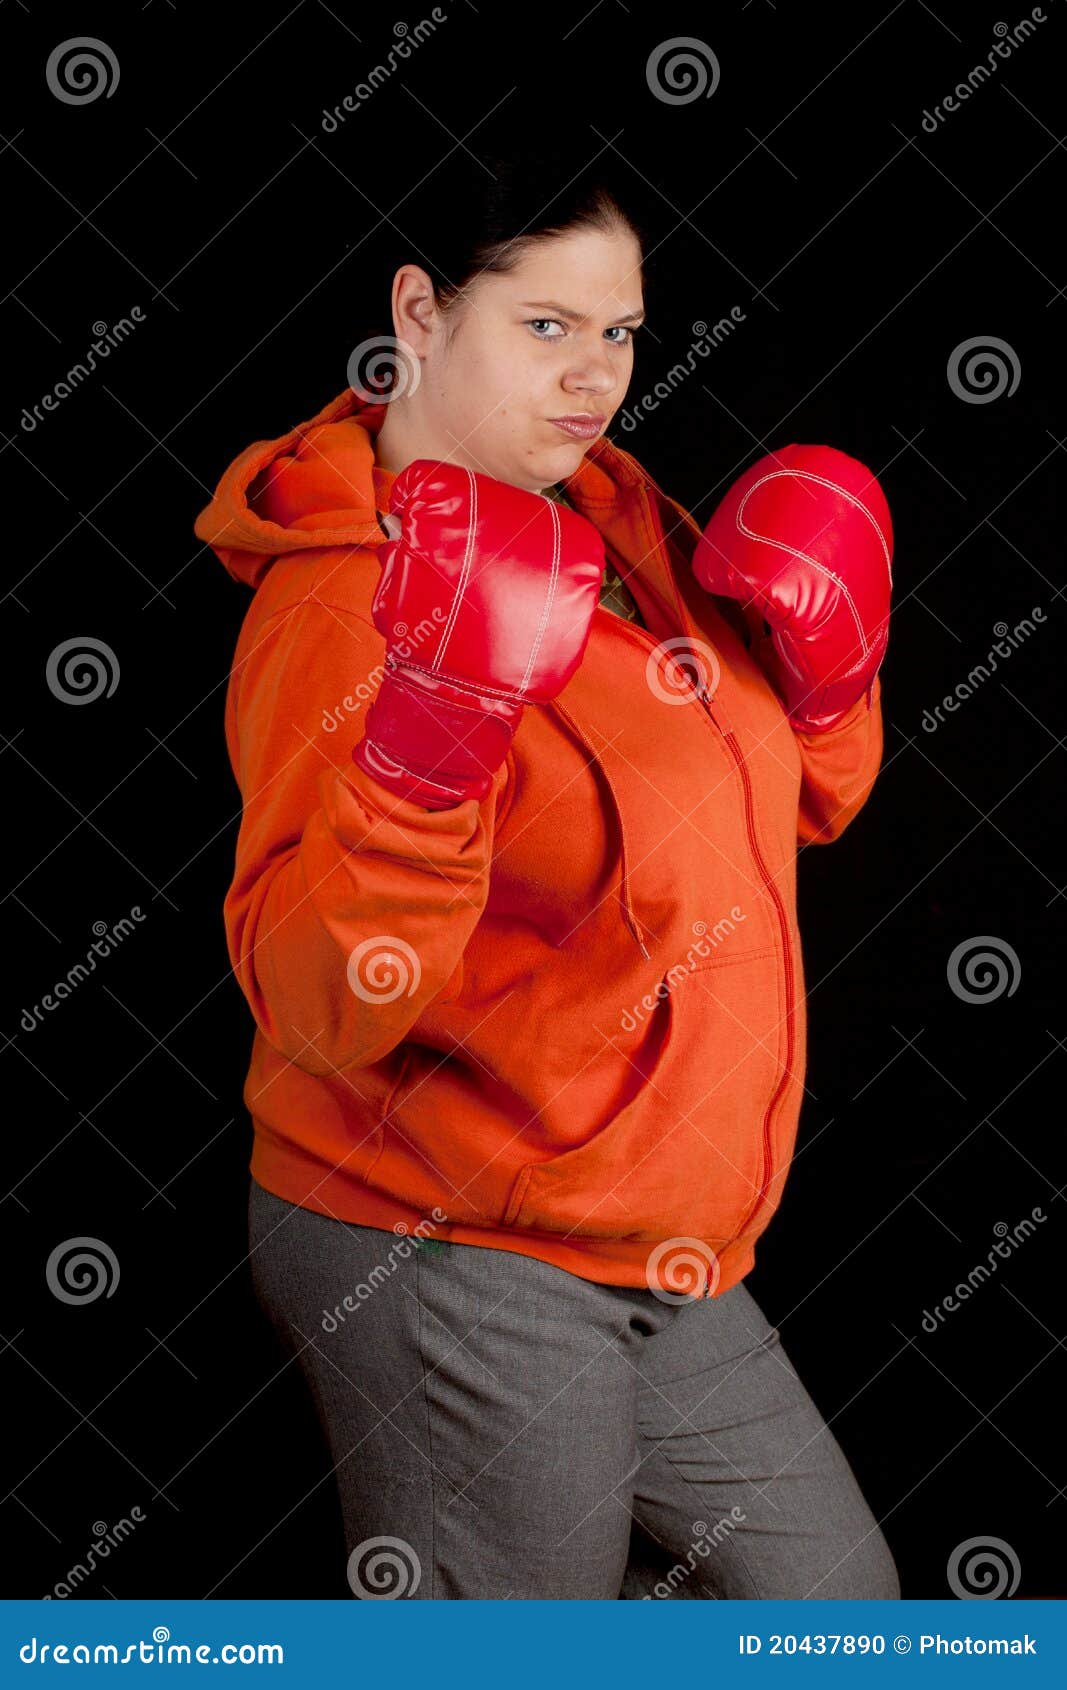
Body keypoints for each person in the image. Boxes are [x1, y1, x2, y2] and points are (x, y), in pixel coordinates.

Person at [193, 140, 899, 1601]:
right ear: (419, 311)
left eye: (621, 332)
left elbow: (775, 808)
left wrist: (833, 690)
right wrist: (425, 752)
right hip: (450, 1235)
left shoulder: (616, 515)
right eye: (547, 325)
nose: (595, 375)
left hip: (658, 1226)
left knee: (833, 1611)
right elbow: (323, 1000)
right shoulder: (340, 601)